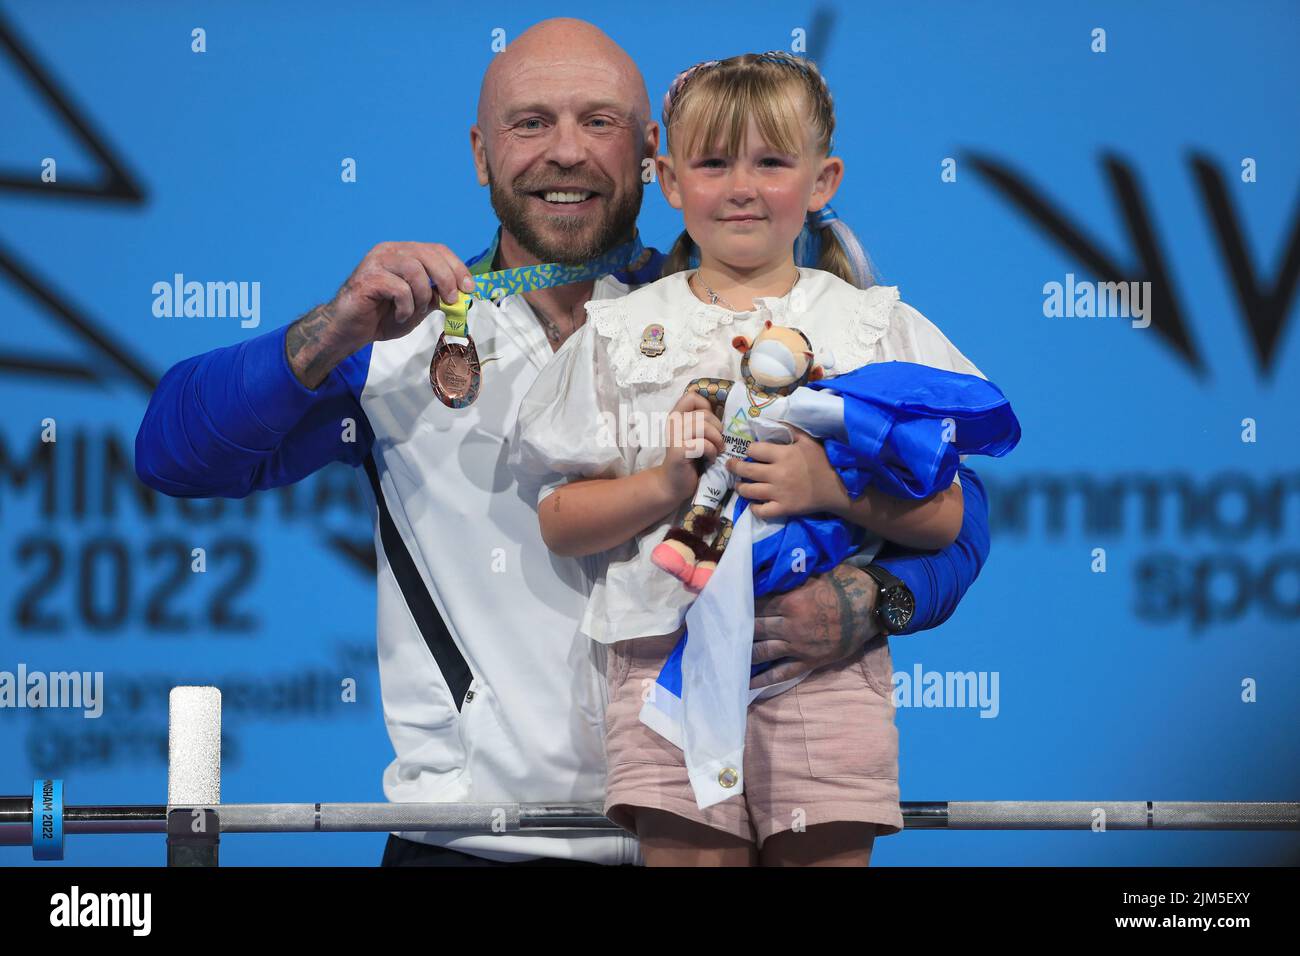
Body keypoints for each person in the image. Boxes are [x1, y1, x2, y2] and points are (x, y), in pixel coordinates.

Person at [133, 19, 993, 867]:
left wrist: (876, 601)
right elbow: (172, 453)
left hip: (714, 826)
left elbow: (960, 513)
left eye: (600, 122)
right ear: (480, 153)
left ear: (651, 154)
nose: (567, 152)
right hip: (471, 846)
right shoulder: (396, 338)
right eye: (531, 122)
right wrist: (329, 330)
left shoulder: (752, 315)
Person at [512, 51, 1003, 866]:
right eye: (712, 162)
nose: (741, 186)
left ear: (823, 179)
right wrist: (666, 483)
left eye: (772, 162)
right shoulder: (620, 331)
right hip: (661, 660)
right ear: (667, 179)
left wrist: (828, 488)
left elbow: (948, 516)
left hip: (823, 668)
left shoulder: (875, 330)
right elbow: (561, 523)